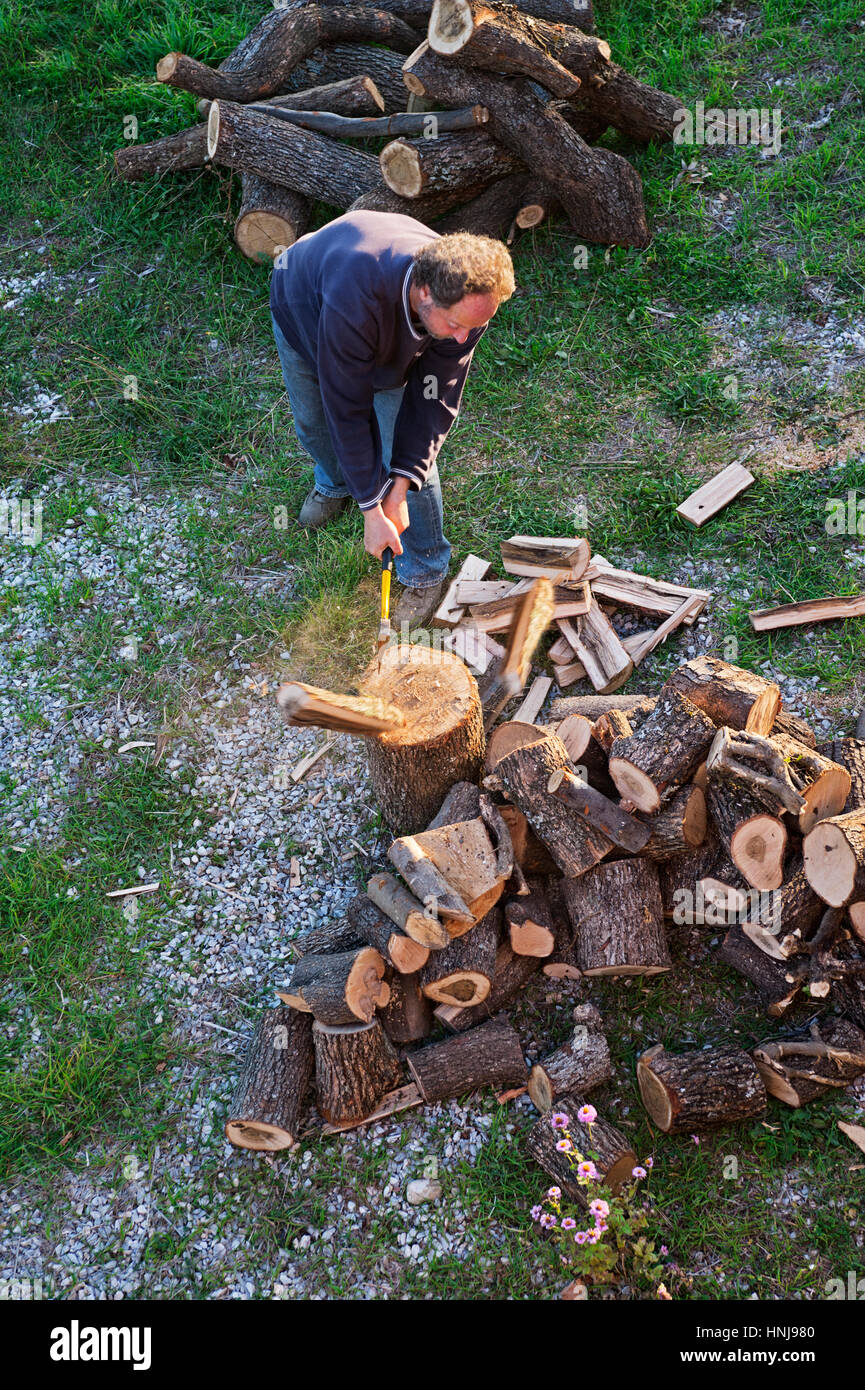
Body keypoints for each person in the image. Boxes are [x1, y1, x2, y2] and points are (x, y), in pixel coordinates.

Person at [270, 209, 515, 625]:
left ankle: (424, 567)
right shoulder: (356, 297)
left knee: (412, 459)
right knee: (316, 422)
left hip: (379, 324)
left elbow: (433, 401)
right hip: (306, 311)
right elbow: (346, 410)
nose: (464, 337)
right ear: (423, 293)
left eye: (474, 326)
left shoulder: (466, 306)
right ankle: (338, 483)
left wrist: (398, 489)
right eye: (456, 325)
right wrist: (372, 510)